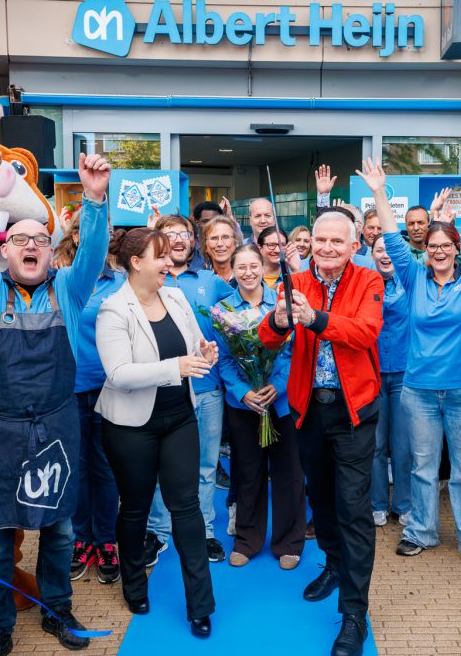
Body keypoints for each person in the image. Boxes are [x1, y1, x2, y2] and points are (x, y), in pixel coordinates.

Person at [0, 149, 111, 656]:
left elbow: (93, 250)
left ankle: (56, 609)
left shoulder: (69, 290)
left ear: (51, 252)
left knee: (60, 533)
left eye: (40, 241)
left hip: (56, 428)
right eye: (20, 239)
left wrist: (93, 198)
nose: (31, 247)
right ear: (6, 250)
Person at [258, 208, 384, 656]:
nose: (328, 248)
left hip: (354, 413)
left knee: (353, 508)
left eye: (337, 241)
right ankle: (333, 562)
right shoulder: (295, 282)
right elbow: (267, 338)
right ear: (311, 244)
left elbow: (366, 333)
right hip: (309, 411)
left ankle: (354, 613)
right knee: (323, 497)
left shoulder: (369, 281)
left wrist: (315, 320)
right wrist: (277, 320)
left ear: (354, 246)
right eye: (321, 240)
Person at [358, 159, 461, 567]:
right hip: (418, 392)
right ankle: (421, 531)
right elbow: (392, 238)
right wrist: (379, 191)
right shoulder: (413, 276)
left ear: (458, 248)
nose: (438, 251)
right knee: (421, 467)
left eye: (446, 245)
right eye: (432, 246)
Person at [95, 228, 219, 638]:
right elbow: (119, 374)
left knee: (187, 509)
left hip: (180, 418)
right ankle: (134, 584)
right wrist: (176, 368)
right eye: (161, 257)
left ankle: (200, 604)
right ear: (136, 263)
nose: (170, 263)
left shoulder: (178, 297)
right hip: (130, 427)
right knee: (134, 509)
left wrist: (205, 352)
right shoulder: (114, 310)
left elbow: (194, 344)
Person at [143, 215, 237, 565]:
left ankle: (205, 532)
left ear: (194, 242)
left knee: (205, 466)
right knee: (160, 465)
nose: (178, 240)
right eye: (169, 235)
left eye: (184, 234)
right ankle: (159, 531)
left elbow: (248, 306)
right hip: (161, 388)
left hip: (207, 388)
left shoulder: (211, 281)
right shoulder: (148, 279)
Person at [215, 244, 305, 569]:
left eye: (254, 265)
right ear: (233, 270)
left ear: (263, 264)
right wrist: (242, 392)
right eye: (242, 267)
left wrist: (276, 387)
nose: (249, 273)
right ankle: (247, 539)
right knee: (248, 474)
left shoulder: (283, 301)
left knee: (288, 474)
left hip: (280, 403)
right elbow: (224, 360)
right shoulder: (223, 308)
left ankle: (289, 542)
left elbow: (296, 353)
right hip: (244, 407)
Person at [68, 244, 126, 585]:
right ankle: (81, 540)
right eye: (80, 233)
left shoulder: (119, 283)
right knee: (76, 469)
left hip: (109, 388)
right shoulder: (59, 279)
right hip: (68, 391)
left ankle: (105, 541)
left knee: (105, 468)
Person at [368, 234, 412, 528]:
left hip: (405, 373)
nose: (385, 255)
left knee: (403, 445)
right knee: (375, 445)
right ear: (369, 254)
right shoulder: (364, 284)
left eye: (389, 250)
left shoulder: (412, 284)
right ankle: (377, 504)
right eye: (378, 250)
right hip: (371, 373)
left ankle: (404, 505)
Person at [201, 214, 240, 283]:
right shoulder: (199, 279)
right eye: (214, 238)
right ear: (206, 246)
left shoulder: (248, 276)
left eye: (225, 237)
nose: (220, 244)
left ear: (235, 242)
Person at [257, 226, 288, 290]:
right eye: (271, 245)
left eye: (282, 245)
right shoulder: (250, 274)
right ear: (260, 247)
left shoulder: (292, 274)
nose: (277, 250)